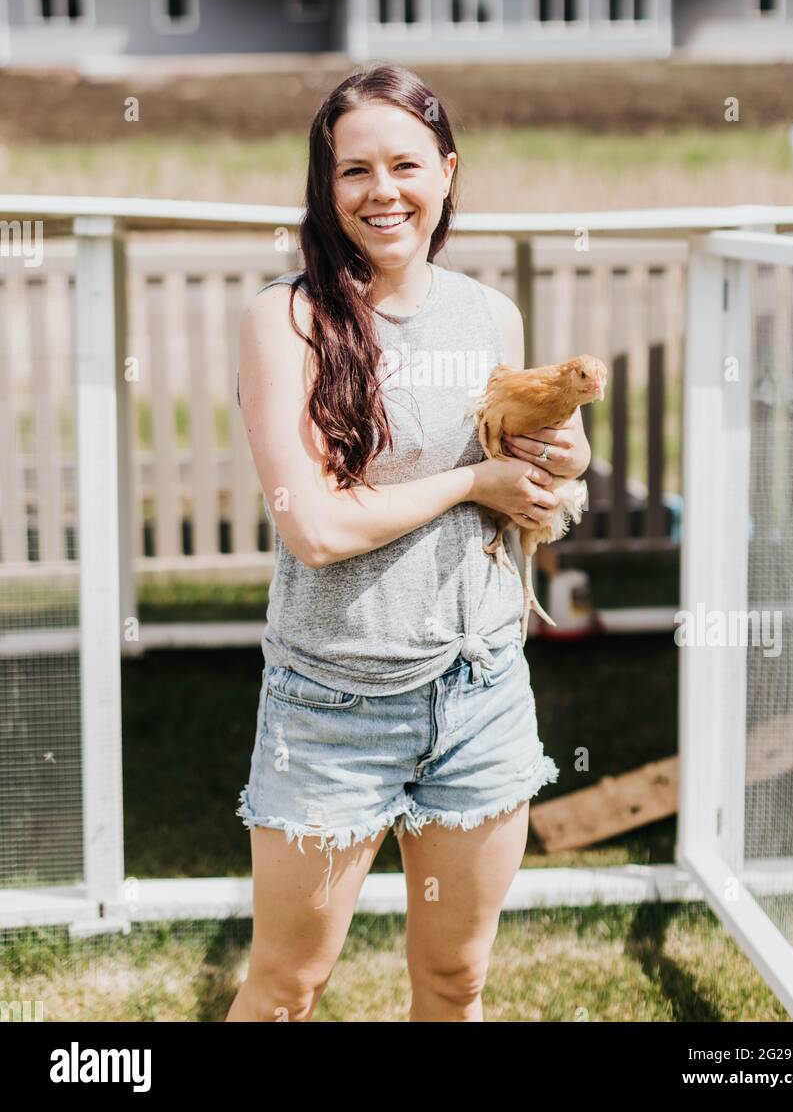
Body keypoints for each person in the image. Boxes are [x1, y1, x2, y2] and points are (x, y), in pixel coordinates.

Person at [225, 62, 591, 1023]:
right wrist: (474, 481)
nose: (381, 192)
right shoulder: (285, 320)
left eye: (404, 165)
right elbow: (315, 526)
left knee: (454, 982)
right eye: (354, 171)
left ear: (446, 172)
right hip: (334, 703)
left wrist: (562, 453)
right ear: (325, 184)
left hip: (481, 693)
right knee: (287, 989)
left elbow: (527, 484)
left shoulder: (487, 314)